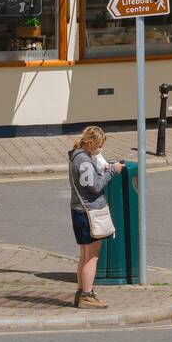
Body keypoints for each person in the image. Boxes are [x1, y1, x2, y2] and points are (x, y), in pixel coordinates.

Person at [70, 126, 125, 310]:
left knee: (84, 256)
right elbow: (95, 187)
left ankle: (82, 292)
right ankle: (86, 295)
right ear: (91, 143)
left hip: (80, 211)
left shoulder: (77, 156)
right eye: (99, 145)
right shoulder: (84, 160)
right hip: (90, 213)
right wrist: (112, 171)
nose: (100, 149)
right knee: (92, 257)